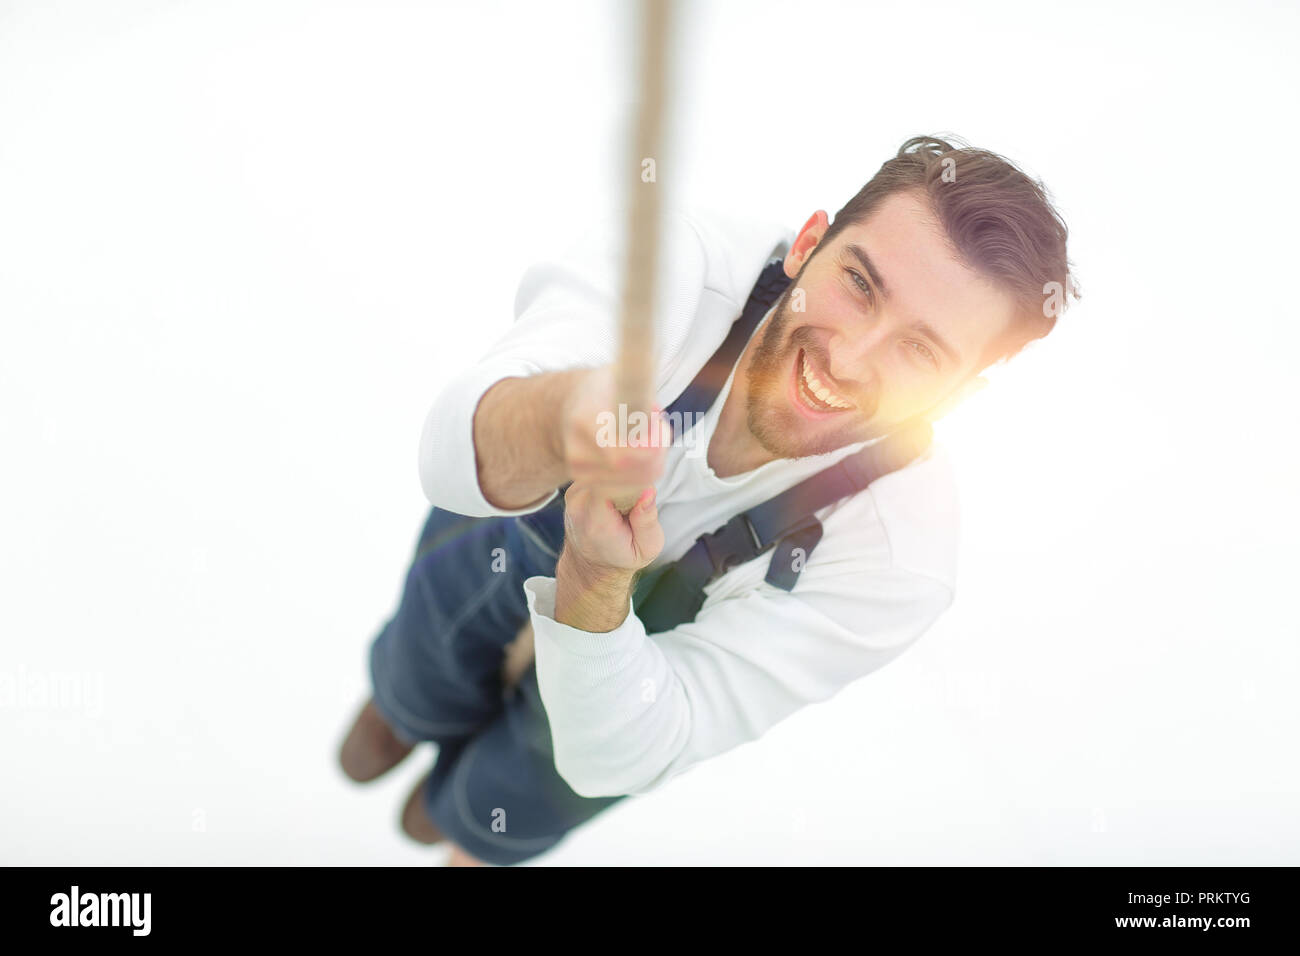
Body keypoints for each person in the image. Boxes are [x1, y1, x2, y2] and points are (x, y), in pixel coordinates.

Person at [338, 135, 1077, 866]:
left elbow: (638, 746)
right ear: (809, 244)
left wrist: (596, 584)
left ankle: (465, 819)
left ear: (956, 396)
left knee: (516, 798)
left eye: (920, 352)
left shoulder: (902, 558)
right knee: (430, 636)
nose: (847, 359)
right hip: (497, 546)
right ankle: (408, 709)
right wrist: (567, 418)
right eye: (859, 284)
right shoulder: (672, 268)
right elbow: (450, 450)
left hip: (628, 680)